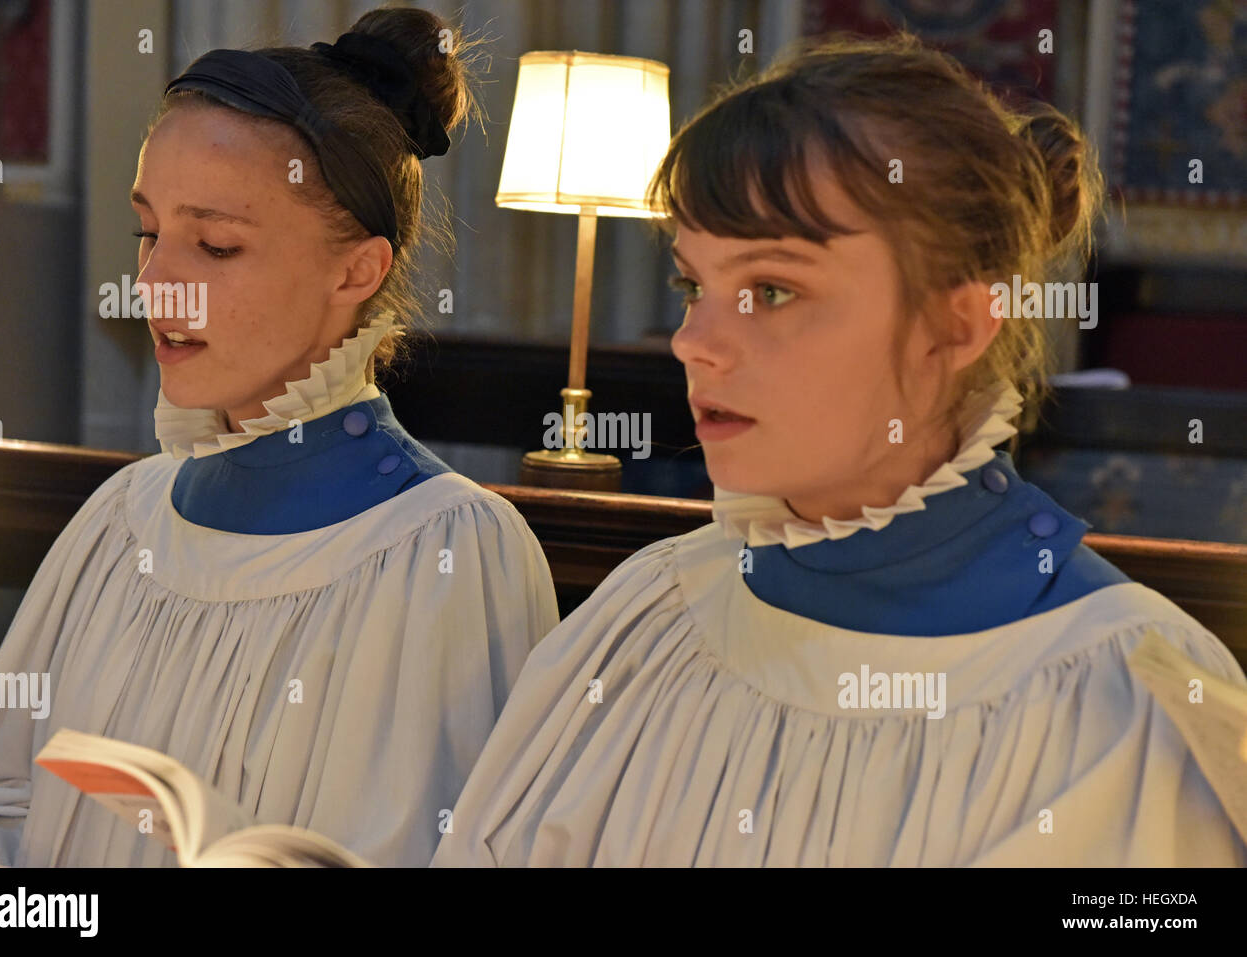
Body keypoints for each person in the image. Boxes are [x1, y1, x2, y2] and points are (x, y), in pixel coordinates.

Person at [432, 33, 1247, 867]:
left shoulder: (1117, 698)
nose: (694, 342)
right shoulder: (646, 617)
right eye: (693, 285)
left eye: (773, 289)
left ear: (957, 324)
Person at [0, 6, 558, 866]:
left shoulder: (447, 558)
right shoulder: (121, 524)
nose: (156, 285)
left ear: (358, 270)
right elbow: (19, 815)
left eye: (217, 246)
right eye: (148, 234)